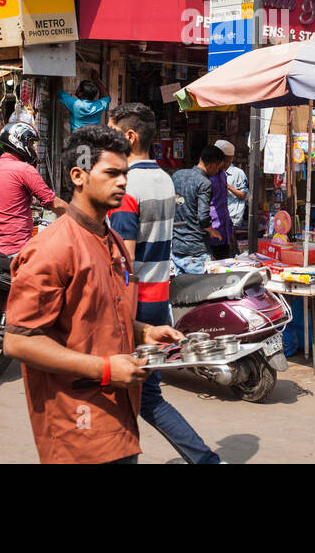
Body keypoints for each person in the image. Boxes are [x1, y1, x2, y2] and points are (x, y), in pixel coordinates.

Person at [4, 125, 184, 464]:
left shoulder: (111, 240)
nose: (122, 182)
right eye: (112, 173)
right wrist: (104, 369)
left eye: (124, 174)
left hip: (118, 413)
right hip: (77, 421)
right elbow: (19, 341)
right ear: (79, 175)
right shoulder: (52, 248)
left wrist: (144, 331)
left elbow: (100, 313)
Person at [108, 104, 222, 465]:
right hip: (159, 300)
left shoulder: (127, 185)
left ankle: (205, 460)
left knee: (134, 394)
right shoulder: (162, 178)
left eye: (111, 132)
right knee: (143, 394)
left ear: (129, 137)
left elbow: (125, 262)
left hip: (134, 304)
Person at [0, 121, 67, 255]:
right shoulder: (24, 170)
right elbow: (54, 203)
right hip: (17, 251)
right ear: (20, 142)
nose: (33, 148)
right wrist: (85, 219)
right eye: (31, 144)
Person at [170, 146, 226, 275]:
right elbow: (203, 217)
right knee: (200, 291)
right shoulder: (204, 183)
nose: (217, 171)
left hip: (177, 245)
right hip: (196, 248)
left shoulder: (177, 175)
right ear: (212, 165)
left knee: (181, 290)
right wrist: (212, 231)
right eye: (218, 168)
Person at [208, 140, 237, 260]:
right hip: (211, 232)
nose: (227, 165)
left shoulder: (223, 176)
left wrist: (229, 231)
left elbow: (224, 206)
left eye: (230, 162)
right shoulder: (207, 177)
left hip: (224, 232)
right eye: (226, 161)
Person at [223, 143, 249, 248]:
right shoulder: (216, 171)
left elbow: (243, 195)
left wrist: (228, 187)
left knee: (231, 246)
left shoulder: (238, 173)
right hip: (219, 217)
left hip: (232, 216)